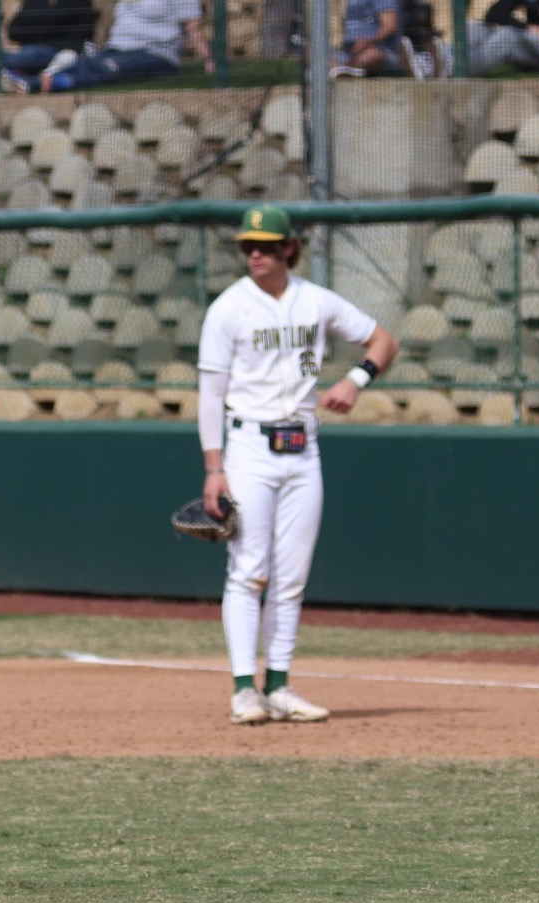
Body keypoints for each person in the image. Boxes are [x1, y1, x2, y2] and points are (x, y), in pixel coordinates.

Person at [196, 205, 399, 726]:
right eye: (247, 246)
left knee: (291, 576)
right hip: (249, 448)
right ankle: (245, 689)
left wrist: (356, 379)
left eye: (265, 244)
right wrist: (213, 467)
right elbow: (210, 392)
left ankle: (279, 685)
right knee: (249, 570)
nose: (255, 253)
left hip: (304, 449)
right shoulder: (228, 308)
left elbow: (384, 341)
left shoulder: (316, 301)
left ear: (290, 247)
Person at [24, 0, 213, 93]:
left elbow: (193, 27)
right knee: (83, 62)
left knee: (104, 68)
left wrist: (208, 59)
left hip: (155, 54)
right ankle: (34, 81)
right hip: (117, 50)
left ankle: (45, 83)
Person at [0, 0, 99, 91]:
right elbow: (13, 31)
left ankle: (6, 77)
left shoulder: (79, 1)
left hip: (56, 54)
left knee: (30, 54)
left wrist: (36, 28)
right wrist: (47, 29)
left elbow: (80, 32)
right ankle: (19, 77)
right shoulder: (35, 2)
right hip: (23, 55)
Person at [333, 0, 403, 76]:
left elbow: (390, 26)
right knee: (324, 60)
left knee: (372, 56)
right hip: (347, 51)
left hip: (379, 49)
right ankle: (345, 70)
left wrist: (369, 42)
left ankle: (347, 70)